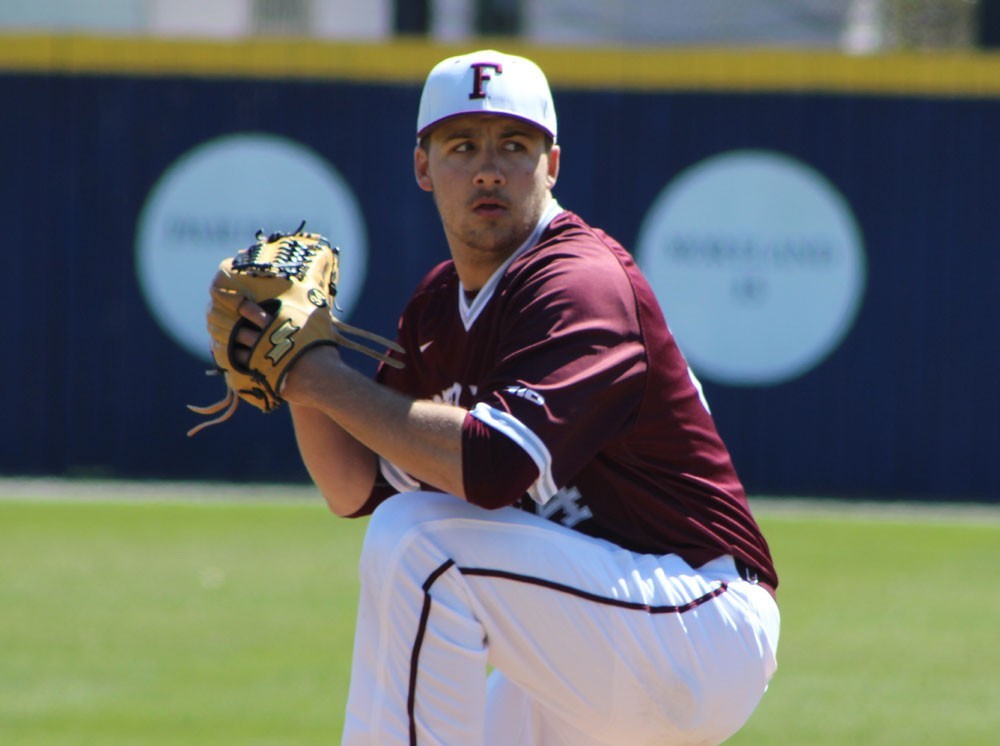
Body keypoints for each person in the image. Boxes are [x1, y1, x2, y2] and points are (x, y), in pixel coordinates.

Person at [222, 49, 779, 746]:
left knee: (425, 546)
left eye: (514, 145)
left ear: (551, 165)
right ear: (423, 167)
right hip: (590, 618)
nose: (488, 167)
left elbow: (491, 471)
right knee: (411, 534)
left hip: (693, 619)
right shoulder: (435, 311)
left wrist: (321, 377)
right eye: (462, 145)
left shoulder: (580, 282)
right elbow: (358, 489)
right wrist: (300, 368)